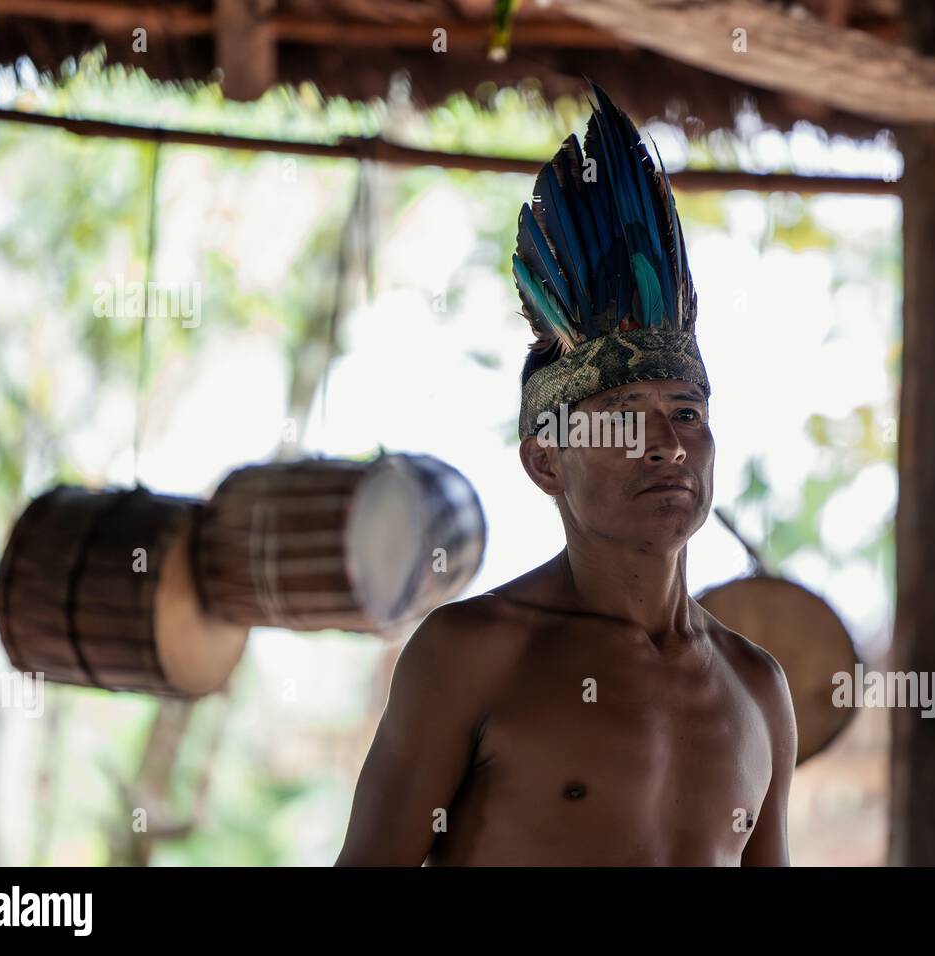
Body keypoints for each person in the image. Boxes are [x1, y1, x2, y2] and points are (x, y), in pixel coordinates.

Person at [336, 81, 795, 866]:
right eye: (626, 415)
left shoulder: (758, 688)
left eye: (687, 412)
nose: (668, 445)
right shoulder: (473, 654)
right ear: (545, 460)